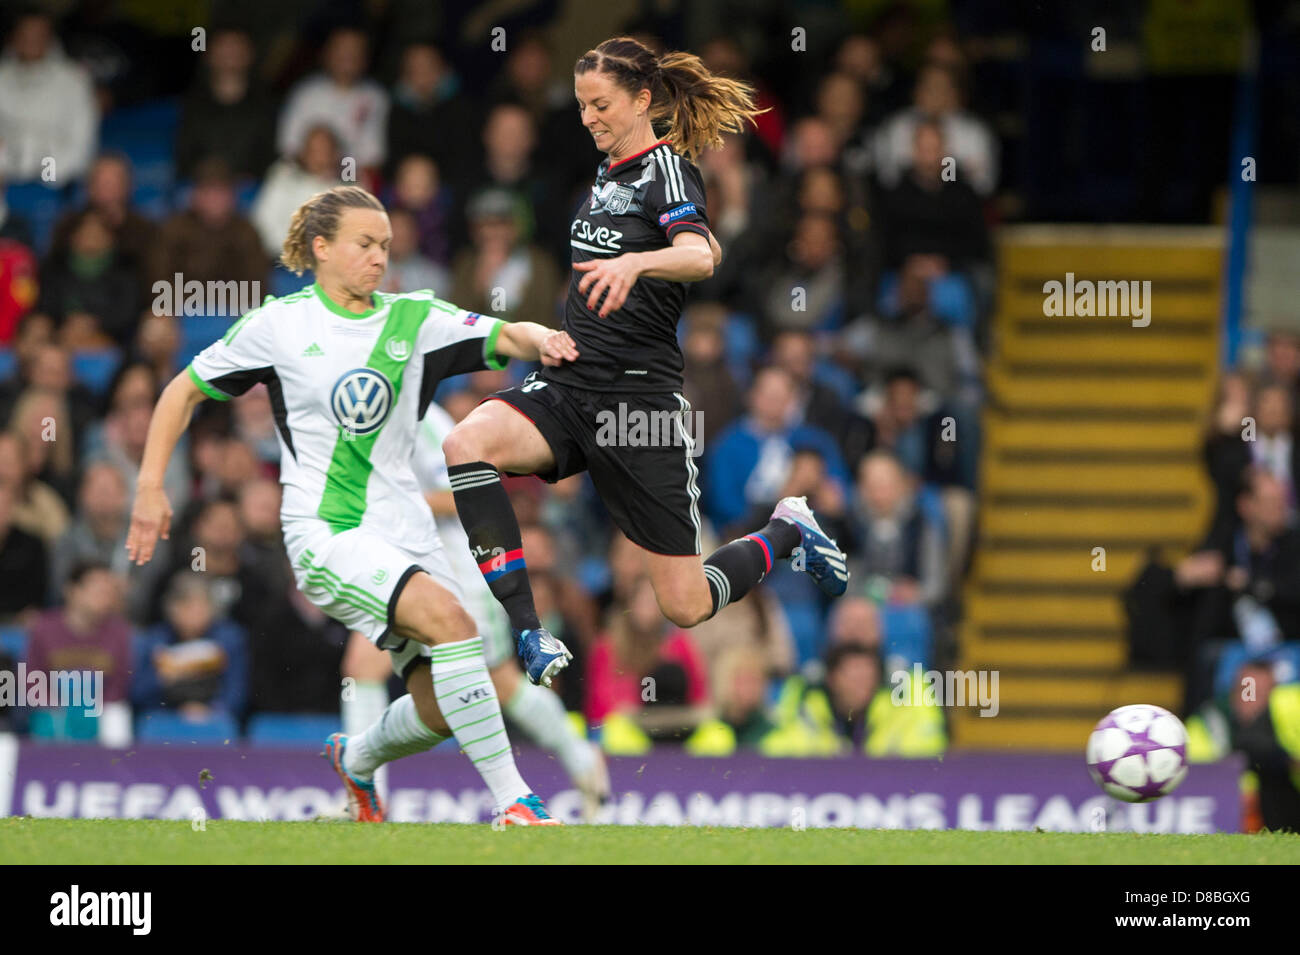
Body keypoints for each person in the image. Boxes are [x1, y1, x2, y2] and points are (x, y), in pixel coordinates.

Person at [126, 185, 580, 826]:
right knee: (456, 625)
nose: (378, 258)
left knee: (444, 701)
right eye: (365, 244)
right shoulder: (279, 326)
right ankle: (516, 804)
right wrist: (149, 487)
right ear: (321, 248)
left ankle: (359, 759)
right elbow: (181, 391)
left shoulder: (414, 320)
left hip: (409, 533)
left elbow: (509, 335)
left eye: (386, 246)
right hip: (326, 530)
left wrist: (551, 340)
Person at [443, 37, 850, 691]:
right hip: (571, 382)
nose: (587, 118)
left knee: (684, 604)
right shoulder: (605, 175)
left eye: (599, 104)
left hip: (639, 409)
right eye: (580, 106)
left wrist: (637, 261)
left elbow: (701, 255)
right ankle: (527, 627)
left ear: (640, 100)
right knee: (466, 442)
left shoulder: (669, 170)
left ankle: (787, 528)